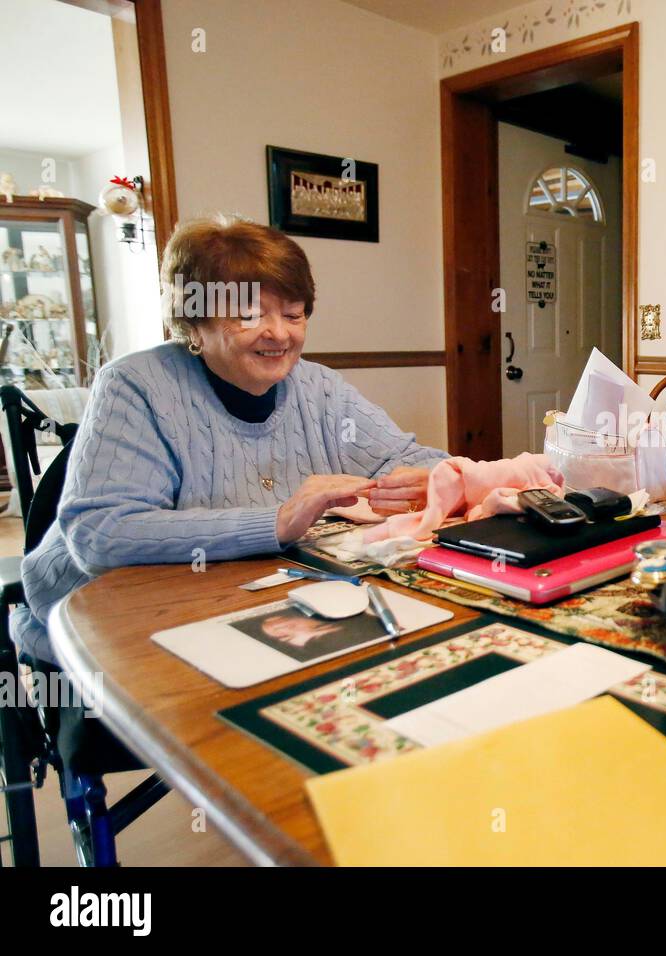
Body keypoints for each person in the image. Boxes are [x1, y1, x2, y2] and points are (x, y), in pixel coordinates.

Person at [13, 215, 449, 664]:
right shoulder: (135, 385)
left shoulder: (319, 387)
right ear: (193, 324)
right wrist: (277, 521)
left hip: (251, 607)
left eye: (293, 314)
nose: (279, 334)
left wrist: (432, 478)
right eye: (249, 315)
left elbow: (413, 458)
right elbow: (100, 534)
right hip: (97, 628)